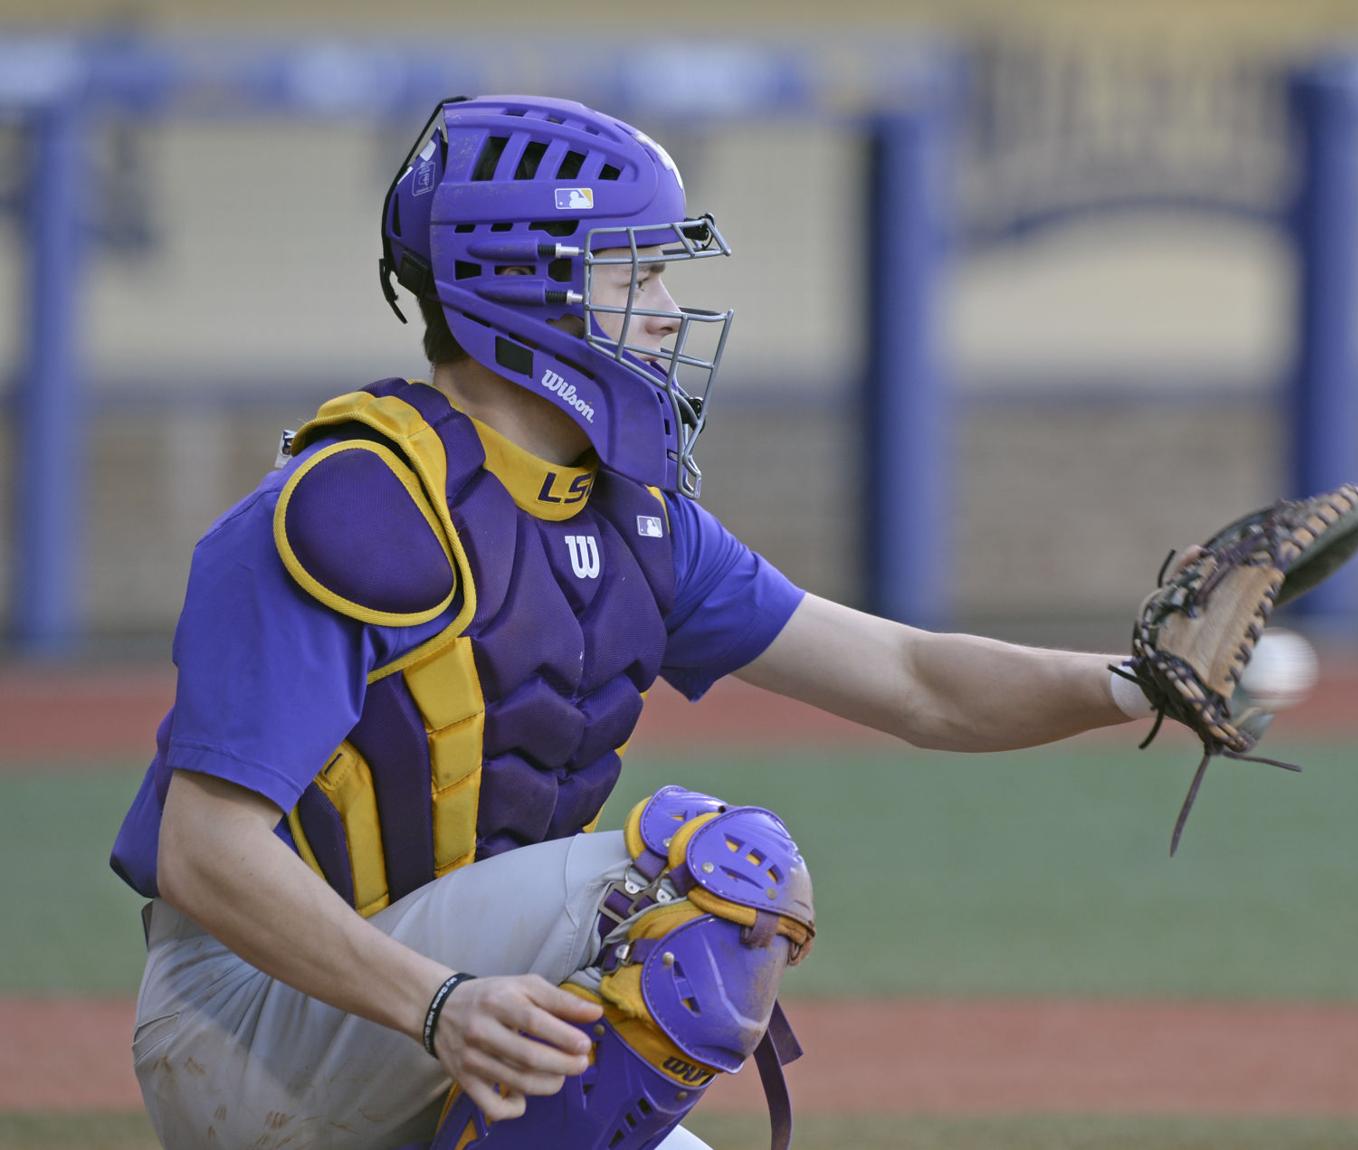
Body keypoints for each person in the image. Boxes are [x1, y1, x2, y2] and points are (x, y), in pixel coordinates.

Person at [110, 95, 1155, 1150]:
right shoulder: (358, 506)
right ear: (521, 283)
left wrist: (1137, 685)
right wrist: (439, 1004)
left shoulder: (633, 521)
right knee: (712, 870)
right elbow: (204, 852)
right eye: (635, 274)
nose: (666, 312)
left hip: (439, 1016)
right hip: (245, 1030)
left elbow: (916, 681)